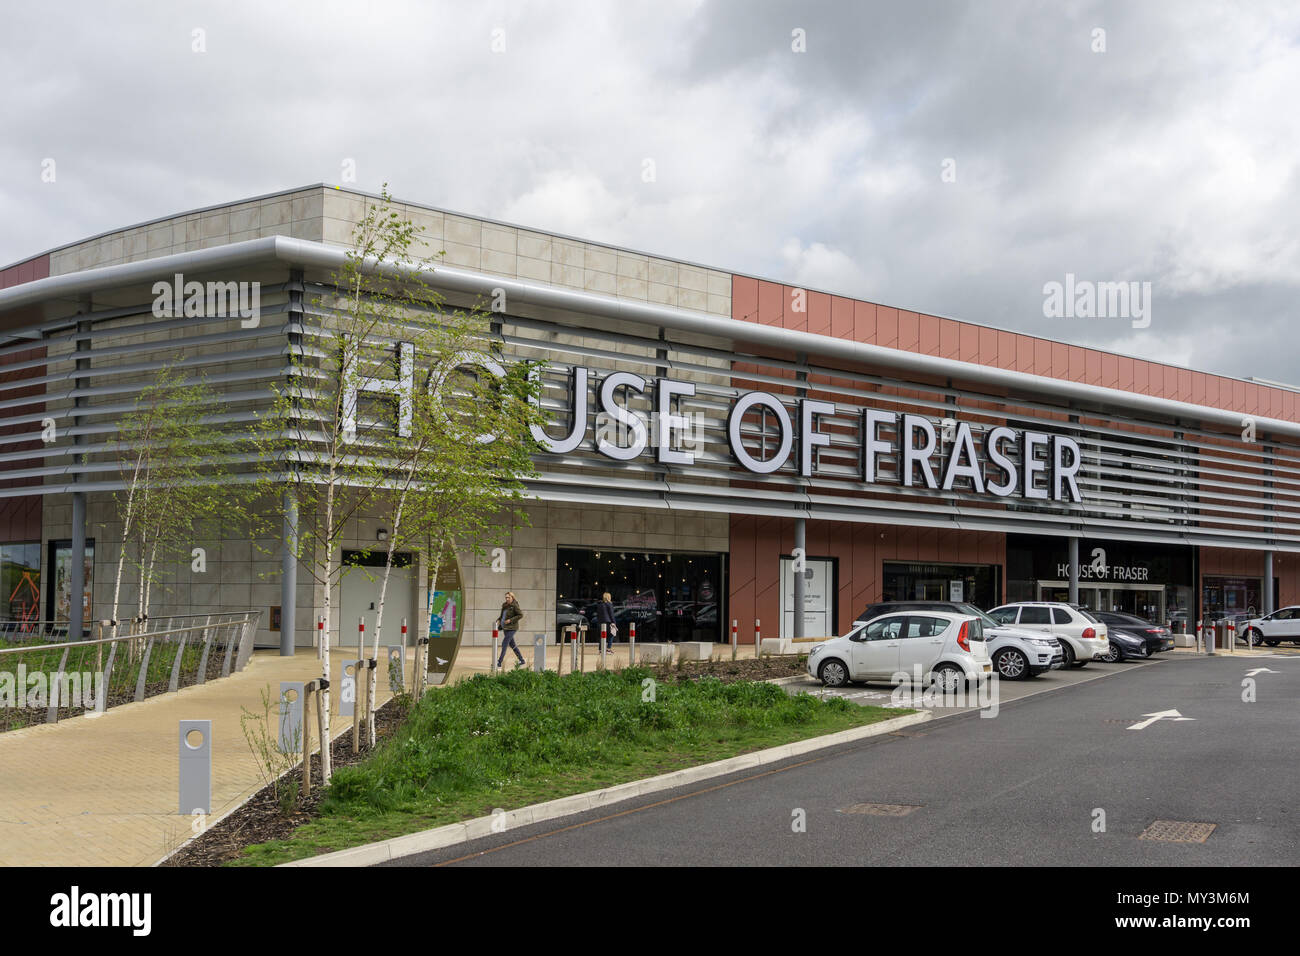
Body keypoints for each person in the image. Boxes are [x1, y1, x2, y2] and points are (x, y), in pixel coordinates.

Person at [495, 591, 526, 669]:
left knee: (504, 643)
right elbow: (502, 616)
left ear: (512, 597)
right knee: (512, 645)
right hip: (505, 627)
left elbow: (520, 615)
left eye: (508, 597)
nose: (507, 599)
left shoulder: (515, 605)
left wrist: (510, 620)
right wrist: (498, 620)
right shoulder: (504, 605)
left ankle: (499, 662)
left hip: (512, 628)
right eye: (506, 597)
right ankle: (521, 660)